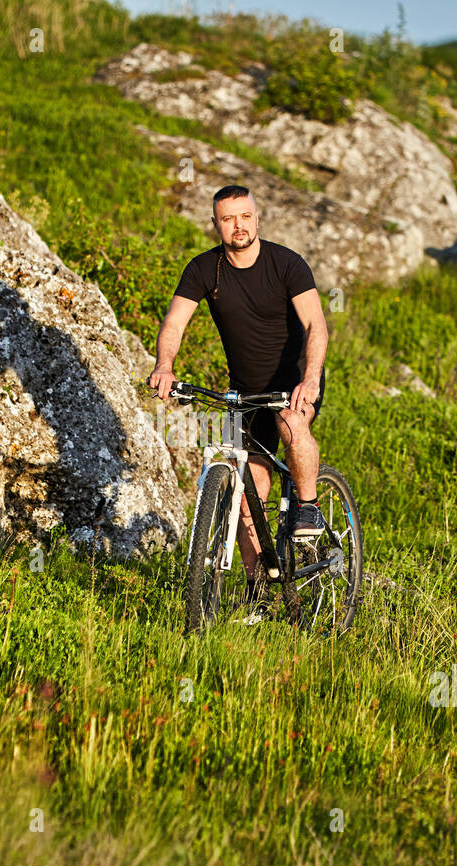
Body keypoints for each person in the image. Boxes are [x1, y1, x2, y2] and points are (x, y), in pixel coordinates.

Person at [147, 184, 329, 621]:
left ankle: (308, 509)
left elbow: (316, 326)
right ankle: (259, 589)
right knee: (249, 497)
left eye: (244, 216)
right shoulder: (203, 270)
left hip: (292, 384)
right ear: (216, 224)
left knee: (291, 425)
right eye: (228, 219)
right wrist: (165, 365)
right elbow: (174, 323)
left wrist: (310, 378)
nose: (238, 226)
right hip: (243, 393)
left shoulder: (287, 265)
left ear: (257, 216)